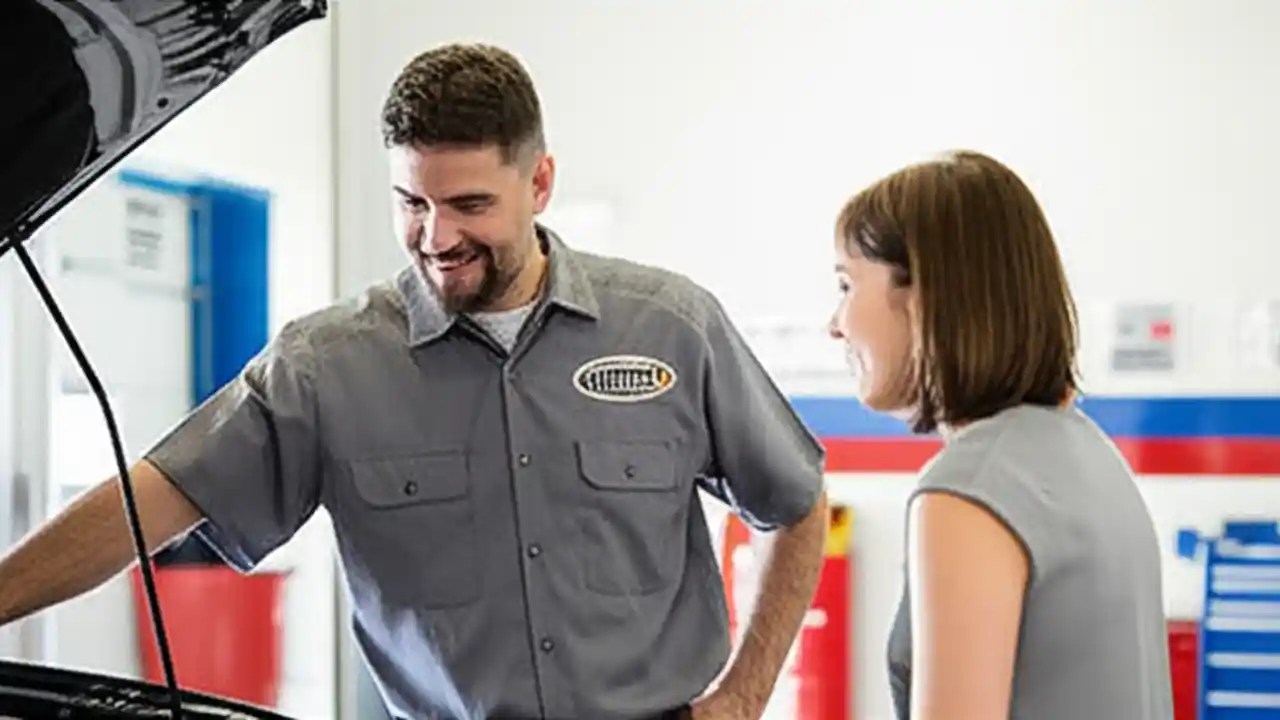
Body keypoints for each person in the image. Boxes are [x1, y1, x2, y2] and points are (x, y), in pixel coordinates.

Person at [0, 43, 830, 720]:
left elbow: (796, 500)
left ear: (539, 183)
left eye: (469, 204)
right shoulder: (326, 367)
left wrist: (743, 697)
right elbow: (153, 497)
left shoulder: (671, 327)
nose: (436, 237)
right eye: (412, 202)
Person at [826, 151, 1173, 719]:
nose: (835, 323)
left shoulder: (971, 488)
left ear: (923, 297)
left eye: (846, 284)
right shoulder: (1086, 454)